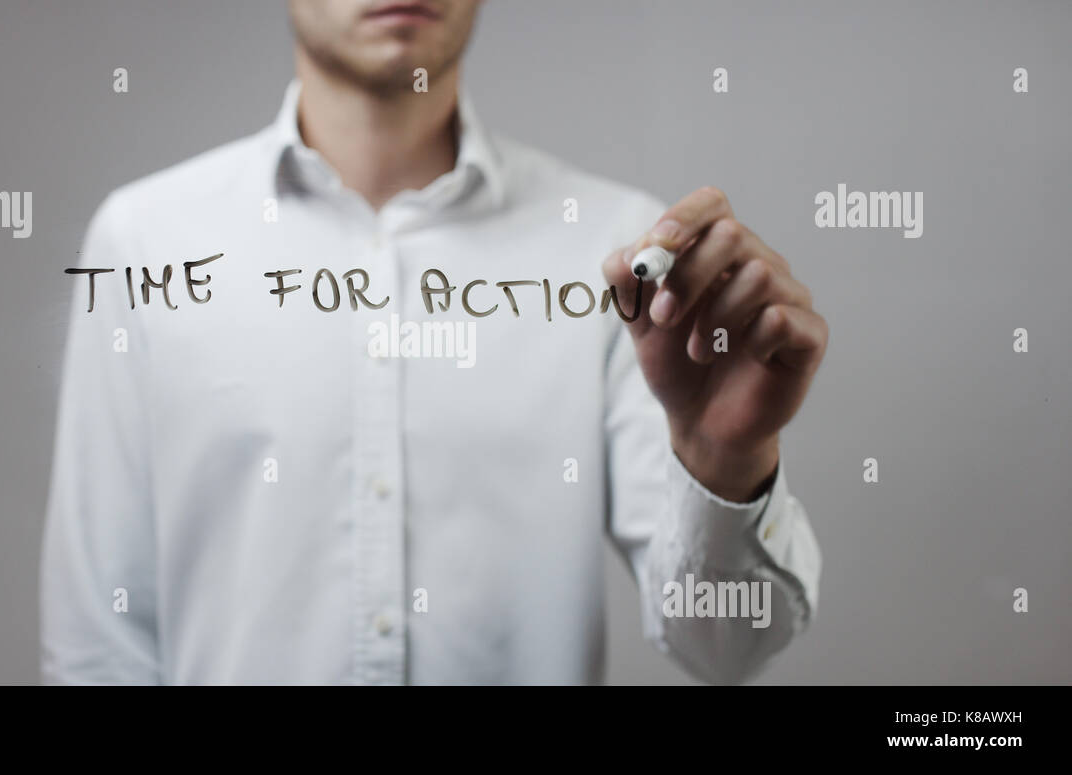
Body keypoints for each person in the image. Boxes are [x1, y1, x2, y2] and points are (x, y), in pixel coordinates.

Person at [41, 0, 827, 685]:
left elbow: (728, 647)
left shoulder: (616, 251)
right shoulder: (144, 242)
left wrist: (724, 462)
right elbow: (97, 647)